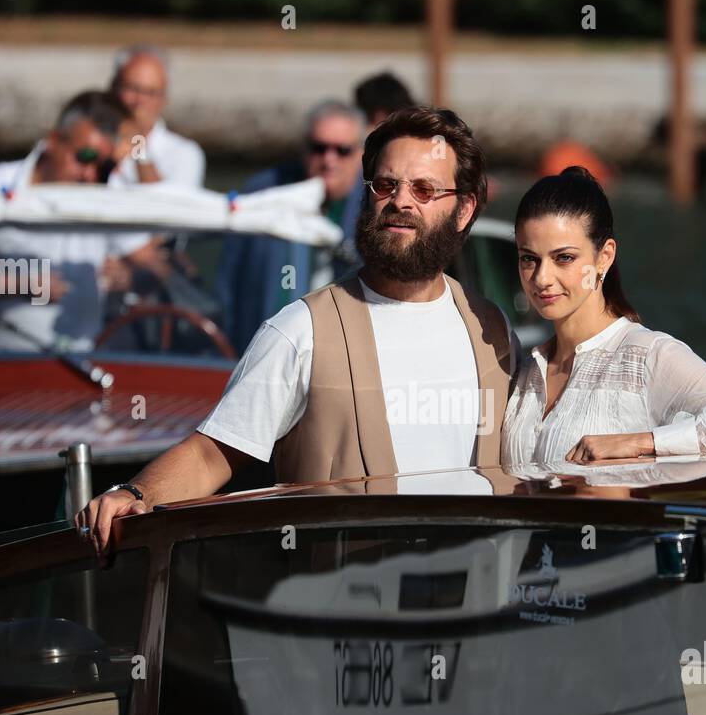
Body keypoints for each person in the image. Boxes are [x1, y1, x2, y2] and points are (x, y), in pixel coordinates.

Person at [78, 106, 517, 554]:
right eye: (386, 185)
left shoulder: (494, 331)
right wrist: (137, 495)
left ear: (463, 211)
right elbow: (213, 454)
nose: (401, 201)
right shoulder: (301, 330)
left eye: (424, 189)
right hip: (344, 611)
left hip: (480, 606)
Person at [501, 167, 706, 467]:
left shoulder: (645, 357)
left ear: (604, 257)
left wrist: (642, 442)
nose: (542, 278)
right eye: (529, 259)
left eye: (564, 258)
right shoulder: (523, 371)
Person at [0, 90, 162, 351]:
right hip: (0, 366)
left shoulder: (107, 192)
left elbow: (157, 269)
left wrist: (130, 278)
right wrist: (24, 286)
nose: (90, 174)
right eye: (84, 158)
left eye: (101, 164)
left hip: (84, 371)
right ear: (54, 141)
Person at [214, 99, 366, 350]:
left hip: (343, 356)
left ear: (361, 154)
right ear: (304, 150)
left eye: (342, 150)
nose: (329, 160)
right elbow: (228, 282)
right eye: (319, 148)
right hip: (263, 351)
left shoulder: (377, 205)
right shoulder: (263, 193)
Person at [108, 45, 205, 188]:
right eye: (132, 88)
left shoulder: (184, 153)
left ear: (164, 99)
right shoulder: (94, 141)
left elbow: (164, 204)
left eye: (150, 92)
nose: (139, 101)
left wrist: (138, 144)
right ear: (113, 88)